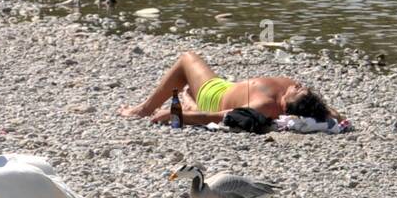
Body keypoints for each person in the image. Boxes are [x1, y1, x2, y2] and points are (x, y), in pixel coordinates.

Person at [119, 51, 343, 125]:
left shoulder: (264, 107)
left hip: (213, 94)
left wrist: (174, 114)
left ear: (286, 106)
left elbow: (215, 117)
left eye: (299, 90)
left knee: (187, 59)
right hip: (227, 86)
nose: (298, 85)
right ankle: (189, 100)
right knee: (190, 79)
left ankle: (144, 109)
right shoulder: (295, 97)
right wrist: (325, 112)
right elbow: (334, 115)